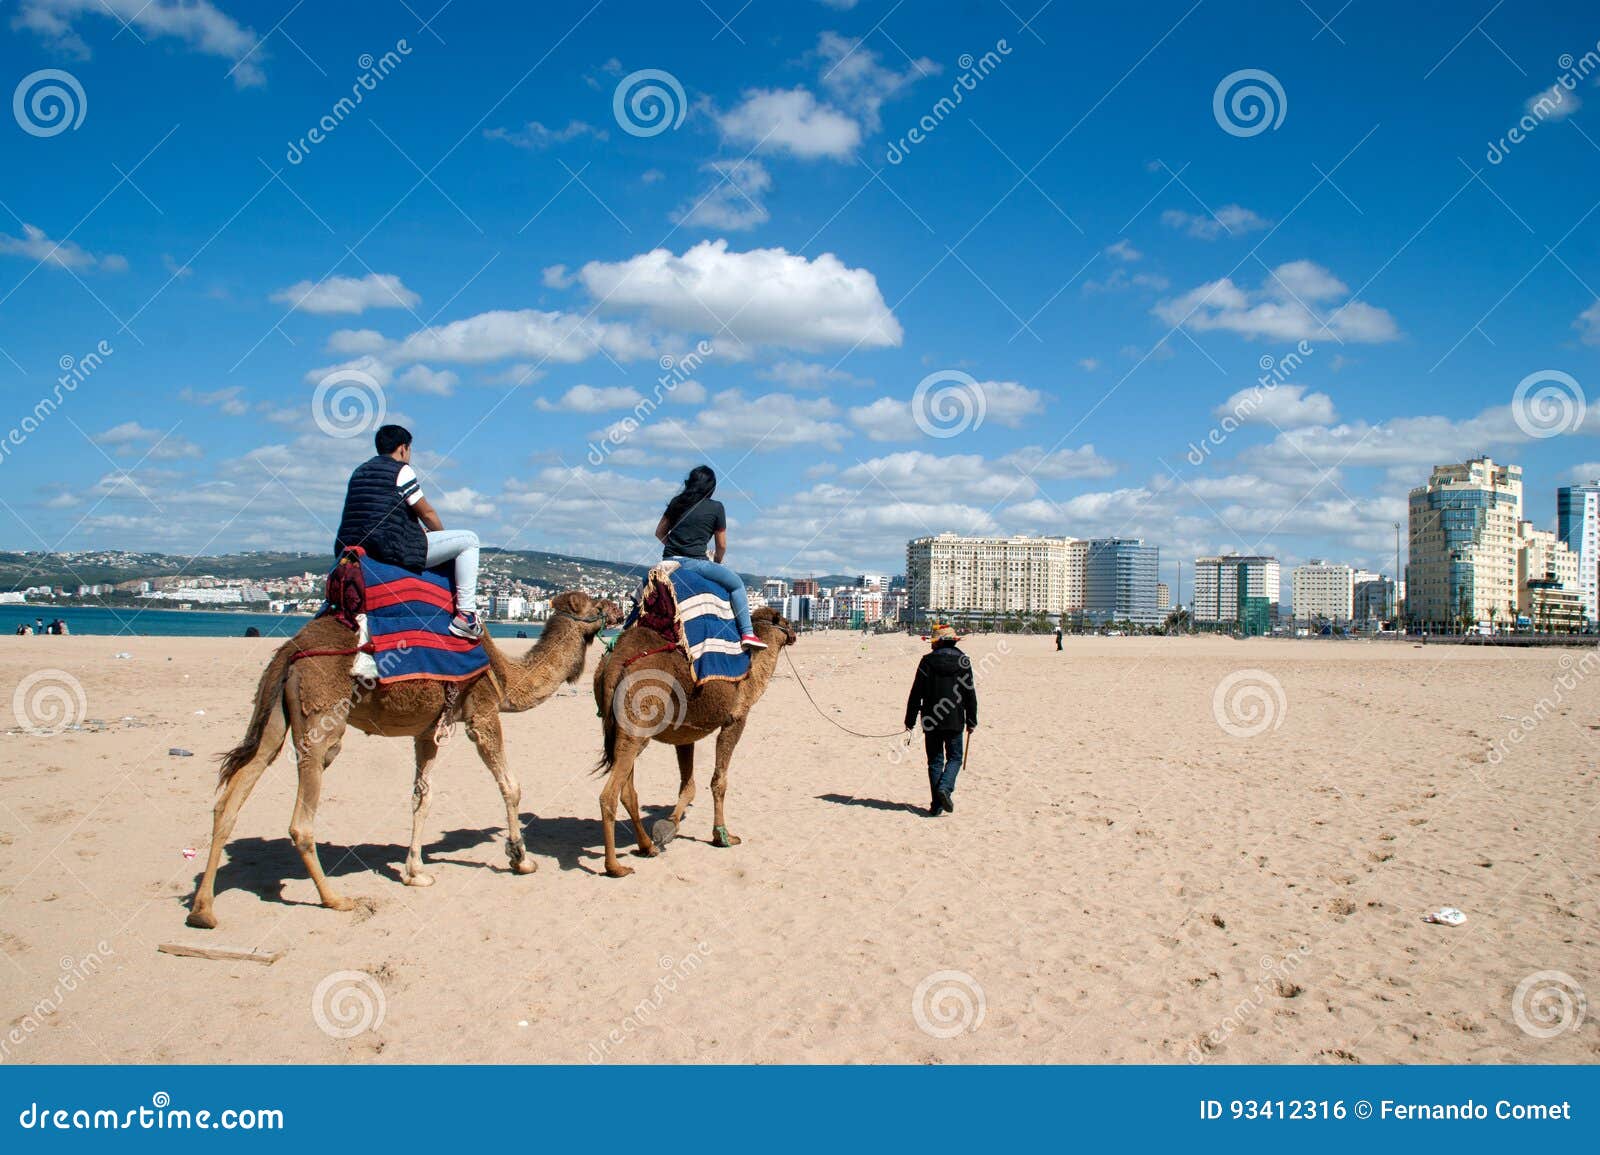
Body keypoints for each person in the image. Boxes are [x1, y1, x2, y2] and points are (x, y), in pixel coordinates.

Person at [334, 424, 483, 639]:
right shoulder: (401, 470)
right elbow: (427, 513)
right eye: (410, 450)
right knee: (469, 540)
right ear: (403, 448)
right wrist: (437, 535)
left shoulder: (359, 472)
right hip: (389, 549)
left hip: (349, 548)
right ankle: (467, 616)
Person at [654, 465, 764, 649]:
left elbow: (659, 533)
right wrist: (717, 563)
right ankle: (748, 633)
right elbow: (721, 545)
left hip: (667, 562)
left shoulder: (676, 502)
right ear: (711, 488)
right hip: (694, 563)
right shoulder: (716, 507)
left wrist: (675, 548)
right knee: (737, 584)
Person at [903, 624, 978, 816]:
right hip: (954, 718)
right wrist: (972, 719)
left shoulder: (927, 662)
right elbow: (969, 693)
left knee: (935, 761)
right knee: (954, 758)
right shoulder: (963, 661)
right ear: (953, 641)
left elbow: (916, 692)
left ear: (938, 643)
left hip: (931, 718)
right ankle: (944, 789)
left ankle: (937, 805)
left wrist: (909, 720)